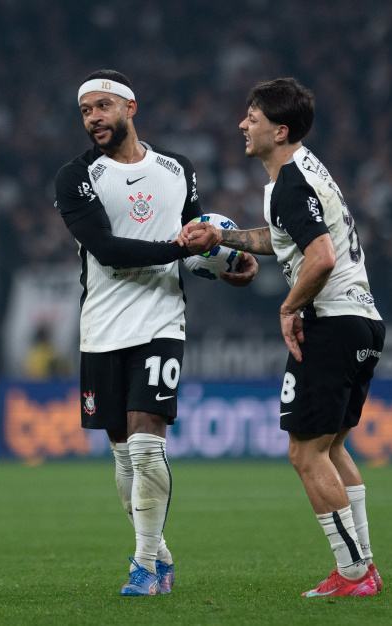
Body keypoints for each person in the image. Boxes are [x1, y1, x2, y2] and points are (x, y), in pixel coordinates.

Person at [54, 70, 257, 596]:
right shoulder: (75, 178)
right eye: (85, 111)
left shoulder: (177, 170)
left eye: (102, 106)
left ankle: (143, 565)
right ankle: (160, 554)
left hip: (161, 322)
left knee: (146, 446)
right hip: (101, 328)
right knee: (123, 455)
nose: (94, 118)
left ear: (130, 107)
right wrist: (182, 251)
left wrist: (228, 261)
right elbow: (110, 251)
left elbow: (197, 241)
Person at [181, 77, 385, 598]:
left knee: (305, 453)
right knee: (332, 446)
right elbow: (284, 238)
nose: (242, 124)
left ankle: (354, 573)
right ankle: (365, 568)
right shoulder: (303, 175)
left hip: (331, 321)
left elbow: (320, 257)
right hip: (362, 319)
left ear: (281, 130)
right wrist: (222, 237)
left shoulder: (292, 182)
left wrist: (290, 306)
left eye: (252, 117)